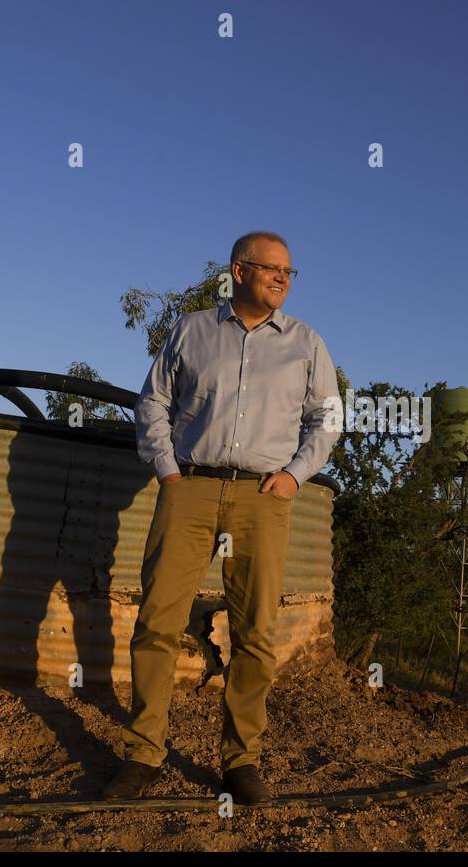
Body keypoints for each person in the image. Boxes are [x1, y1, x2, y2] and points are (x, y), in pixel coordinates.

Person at [103, 231, 341, 804]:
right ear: (238, 271)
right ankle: (144, 752)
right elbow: (152, 401)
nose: (282, 278)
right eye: (270, 269)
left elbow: (327, 418)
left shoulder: (307, 344)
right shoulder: (192, 331)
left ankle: (241, 761)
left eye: (289, 271)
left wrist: (294, 475)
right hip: (190, 488)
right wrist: (168, 470)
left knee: (255, 631)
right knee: (158, 621)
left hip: (264, 498)